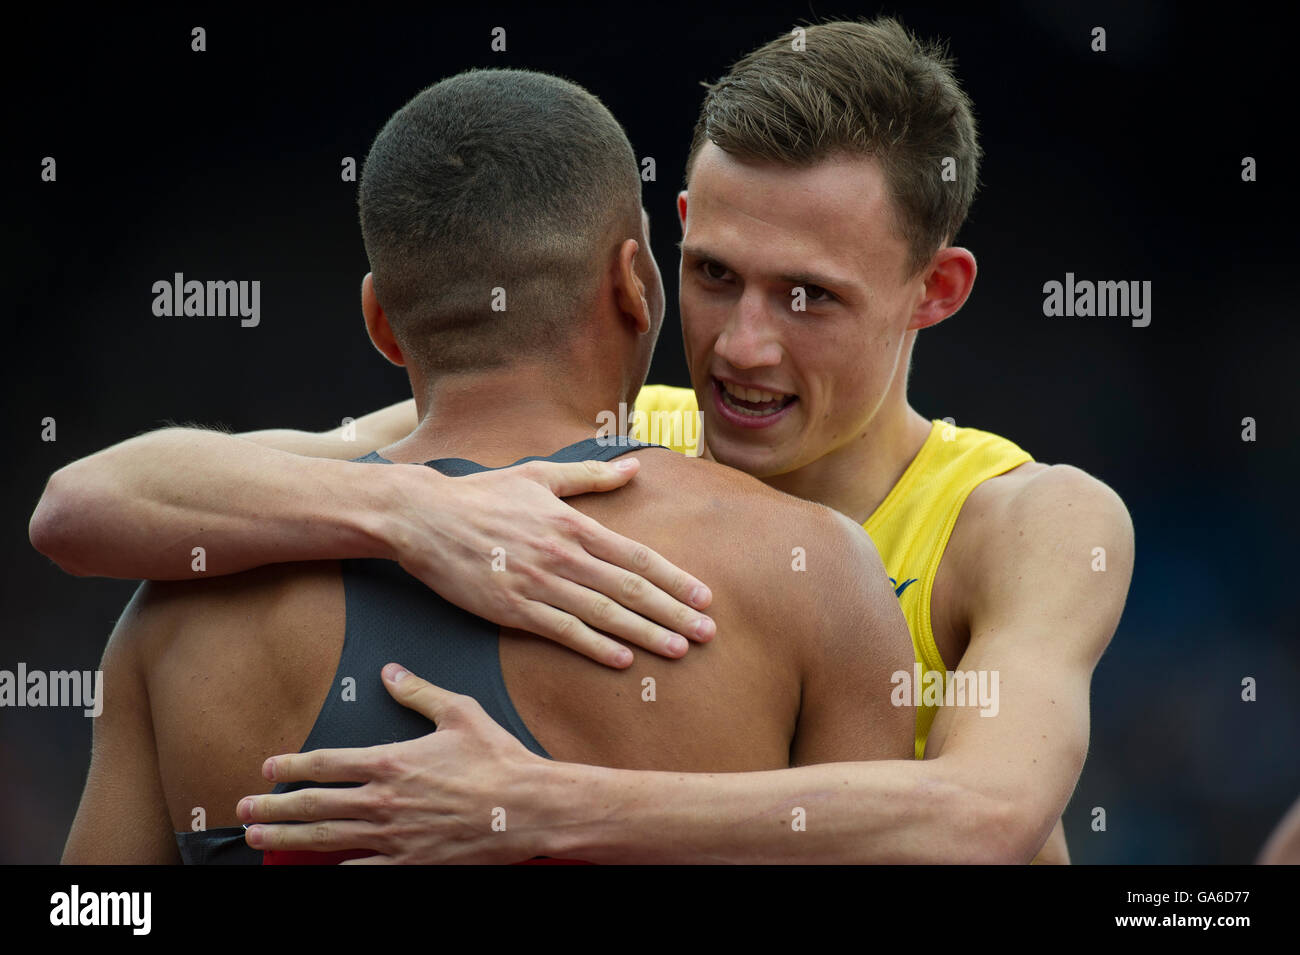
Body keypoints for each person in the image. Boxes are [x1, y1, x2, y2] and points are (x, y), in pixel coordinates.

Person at [38, 18, 1132, 864]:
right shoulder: (605, 447)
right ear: (655, 259)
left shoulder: (1026, 519)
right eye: (714, 275)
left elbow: (984, 815)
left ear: (933, 290)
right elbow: (88, 502)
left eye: (807, 296)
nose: (742, 347)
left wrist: (541, 806)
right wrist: (407, 510)